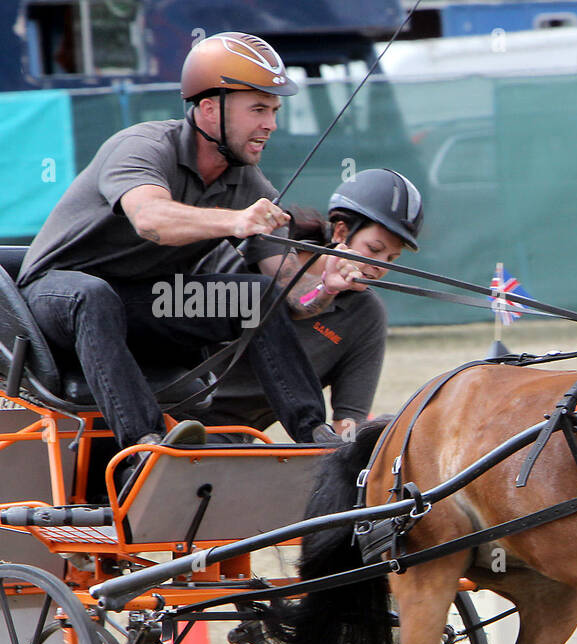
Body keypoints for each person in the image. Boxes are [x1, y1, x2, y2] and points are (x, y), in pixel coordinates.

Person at [15, 31, 369, 465]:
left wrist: (324, 287)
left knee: (255, 297)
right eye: (258, 109)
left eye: (274, 111)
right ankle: (145, 449)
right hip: (51, 301)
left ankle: (314, 436)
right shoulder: (141, 148)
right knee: (94, 295)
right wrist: (236, 220)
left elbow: (290, 297)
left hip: (146, 303)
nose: (271, 124)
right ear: (208, 108)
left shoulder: (249, 185)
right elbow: (150, 219)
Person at [199, 169, 423, 440]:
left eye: (391, 258)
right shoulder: (258, 258)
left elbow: (348, 421)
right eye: (374, 250)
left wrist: (356, 452)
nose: (380, 267)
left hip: (230, 439)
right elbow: (296, 299)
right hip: (171, 411)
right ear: (341, 231)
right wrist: (325, 289)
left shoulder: (366, 315)